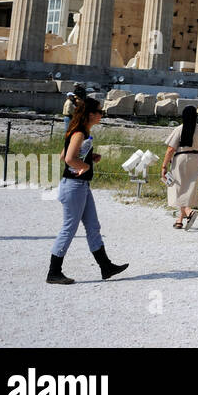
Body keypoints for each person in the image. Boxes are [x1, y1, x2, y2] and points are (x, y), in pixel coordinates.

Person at [48, 96, 128, 284]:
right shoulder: (79, 133)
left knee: (93, 226)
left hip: (81, 186)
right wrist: (84, 166)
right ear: (91, 114)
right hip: (73, 186)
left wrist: (90, 158)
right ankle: (54, 271)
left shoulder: (80, 131)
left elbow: (65, 154)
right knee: (69, 228)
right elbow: (67, 159)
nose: (101, 115)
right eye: (99, 111)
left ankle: (105, 266)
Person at [161, 106, 198, 230]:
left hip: (180, 160)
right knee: (188, 189)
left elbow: (170, 149)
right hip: (194, 159)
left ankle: (189, 212)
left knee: (178, 189)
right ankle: (179, 220)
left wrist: (164, 165)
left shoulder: (179, 129)